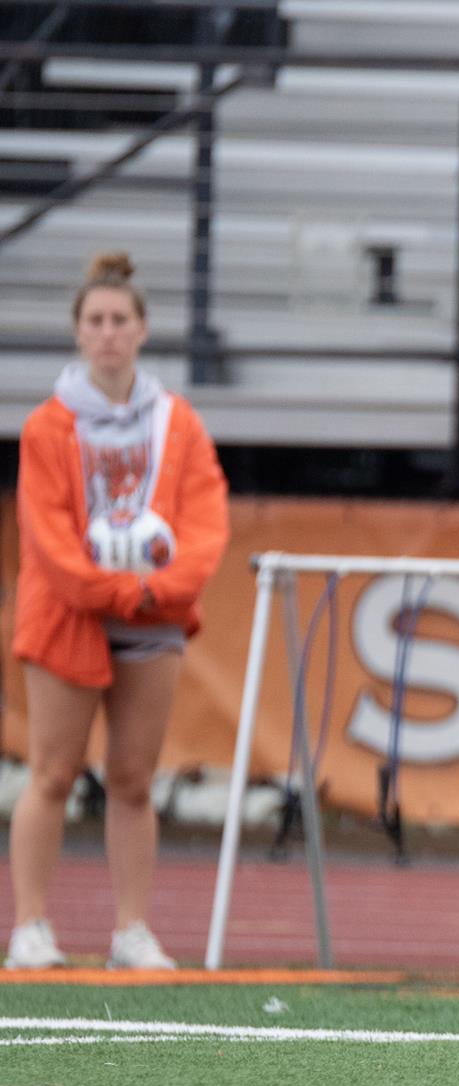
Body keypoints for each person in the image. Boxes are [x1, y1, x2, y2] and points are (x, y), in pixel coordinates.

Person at [7, 253, 230, 972]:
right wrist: (110, 591)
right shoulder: (49, 426)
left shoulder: (177, 422)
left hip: (152, 619)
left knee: (135, 778)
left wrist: (155, 593)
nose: (108, 333)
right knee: (52, 773)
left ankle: (131, 928)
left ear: (142, 330)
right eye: (95, 321)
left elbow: (204, 523)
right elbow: (46, 536)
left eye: (120, 320)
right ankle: (30, 925)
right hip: (70, 616)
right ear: (78, 333)